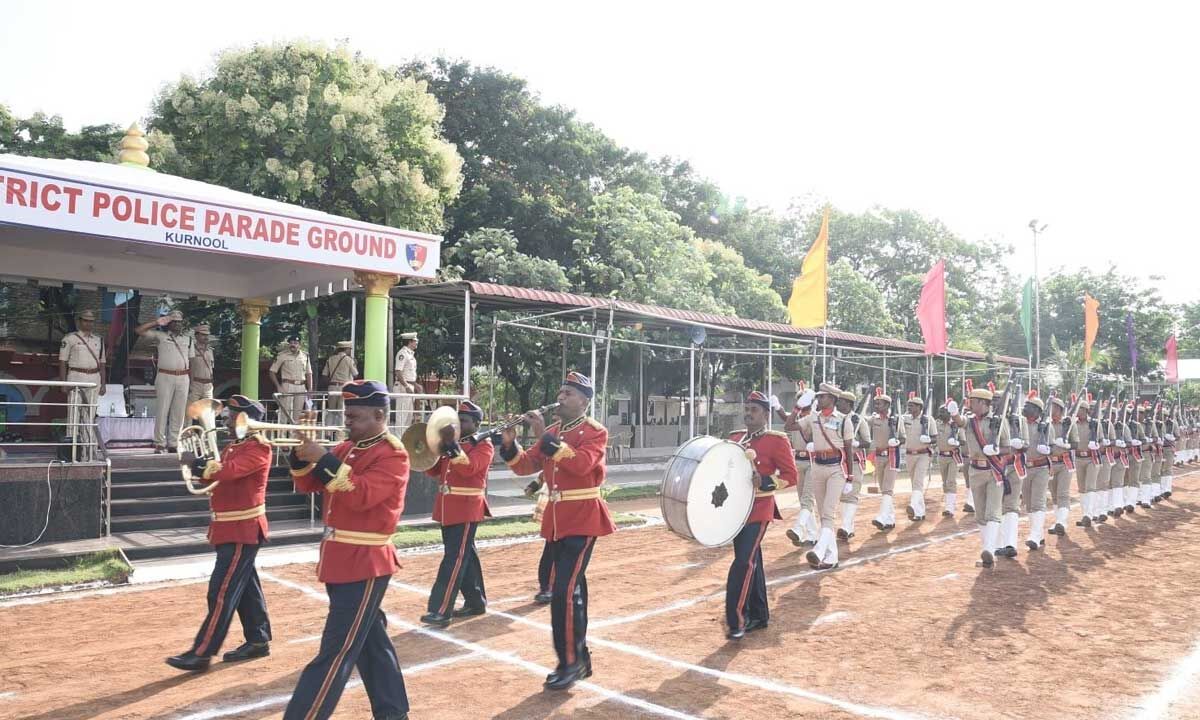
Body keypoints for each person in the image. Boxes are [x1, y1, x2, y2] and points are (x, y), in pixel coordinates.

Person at [286, 380, 410, 720]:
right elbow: (307, 483)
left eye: (354, 416)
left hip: (365, 562)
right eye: (346, 414)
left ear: (379, 414)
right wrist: (299, 453)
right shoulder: (346, 449)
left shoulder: (393, 453)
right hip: (340, 559)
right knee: (371, 642)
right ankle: (394, 713)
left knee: (336, 651)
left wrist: (322, 457)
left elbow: (360, 494)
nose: (347, 421)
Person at [499, 372, 616, 690]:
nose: (560, 397)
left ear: (584, 400)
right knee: (572, 592)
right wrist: (510, 444)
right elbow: (525, 466)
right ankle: (579, 658)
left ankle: (569, 663)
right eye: (560, 391)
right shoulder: (552, 431)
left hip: (583, 518)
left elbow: (580, 465)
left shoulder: (594, 432)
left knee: (563, 592)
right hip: (557, 520)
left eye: (568, 393)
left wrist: (542, 436)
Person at [167, 395, 273, 672]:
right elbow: (214, 477)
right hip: (229, 527)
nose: (225, 421)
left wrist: (200, 464)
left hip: (243, 529)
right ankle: (258, 640)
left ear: (246, 421)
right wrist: (196, 466)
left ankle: (202, 653)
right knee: (246, 588)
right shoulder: (232, 447)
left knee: (221, 592)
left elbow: (230, 472)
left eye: (232, 416)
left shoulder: (258, 448)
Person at [420, 400, 493, 627]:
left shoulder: (484, 445)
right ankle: (475, 601)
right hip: (447, 506)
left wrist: (451, 447)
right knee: (465, 555)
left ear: (476, 424)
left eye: (464, 421)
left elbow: (470, 468)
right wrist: (431, 449)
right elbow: (433, 470)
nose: (458, 424)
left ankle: (441, 609)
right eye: (457, 419)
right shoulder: (455, 443)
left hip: (466, 507)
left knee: (454, 558)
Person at [948, 380, 1010, 568]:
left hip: (994, 470)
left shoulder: (999, 422)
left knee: (992, 511)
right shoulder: (971, 420)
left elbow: (1008, 448)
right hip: (975, 470)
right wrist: (954, 413)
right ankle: (987, 549)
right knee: (980, 514)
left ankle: (990, 549)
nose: (970, 404)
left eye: (973, 401)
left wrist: (996, 451)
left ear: (983, 403)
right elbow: (960, 422)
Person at [793, 385, 851, 569]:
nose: (818, 400)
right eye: (817, 396)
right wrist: (797, 408)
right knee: (822, 513)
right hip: (817, 467)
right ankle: (831, 557)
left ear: (832, 399)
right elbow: (790, 426)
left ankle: (819, 551)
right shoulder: (813, 417)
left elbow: (848, 450)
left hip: (836, 469)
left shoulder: (843, 421)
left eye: (823, 397)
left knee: (828, 512)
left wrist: (849, 477)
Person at [136, 310, 192, 454]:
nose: (177, 324)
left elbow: (190, 361)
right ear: (169, 323)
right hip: (165, 376)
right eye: (174, 321)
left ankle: (174, 442)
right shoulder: (160, 336)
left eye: (179, 322)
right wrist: (157, 322)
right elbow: (139, 331)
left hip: (183, 377)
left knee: (179, 412)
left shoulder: (188, 339)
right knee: (162, 410)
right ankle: (159, 443)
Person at [58, 309, 106, 455]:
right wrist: (63, 383)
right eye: (85, 320)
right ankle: (72, 452)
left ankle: (88, 451)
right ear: (80, 321)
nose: (88, 323)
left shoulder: (99, 340)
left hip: (94, 377)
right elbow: (62, 362)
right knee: (73, 413)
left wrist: (103, 383)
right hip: (75, 375)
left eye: (91, 321)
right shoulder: (70, 339)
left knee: (89, 416)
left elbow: (102, 363)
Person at [782, 382, 818, 547]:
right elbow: (786, 421)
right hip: (798, 461)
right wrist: (777, 407)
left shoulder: (815, 417)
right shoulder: (795, 418)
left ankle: (798, 528)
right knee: (802, 498)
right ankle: (812, 535)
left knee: (807, 498)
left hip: (813, 461)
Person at [996, 385, 1028, 559]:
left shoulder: (1019, 420)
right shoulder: (990, 421)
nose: (995, 404)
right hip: (995, 468)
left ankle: (1010, 544)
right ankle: (998, 544)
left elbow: (1027, 445)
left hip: (1014, 466)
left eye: (998, 401)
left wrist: (1019, 443)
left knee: (1011, 505)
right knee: (996, 506)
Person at [835, 389, 871, 540]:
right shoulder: (835, 419)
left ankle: (845, 526)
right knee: (843, 495)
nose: (838, 404)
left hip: (854, 461)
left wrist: (856, 442)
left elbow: (867, 442)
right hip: (838, 462)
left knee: (852, 494)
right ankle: (848, 527)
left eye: (841, 401)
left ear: (848, 404)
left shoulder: (858, 420)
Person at [1020, 391, 1053, 551]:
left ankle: (1033, 535)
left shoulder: (1046, 426)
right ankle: (1038, 534)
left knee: (1038, 501)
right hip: (1024, 468)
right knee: (1028, 502)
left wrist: (1047, 449)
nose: (1026, 408)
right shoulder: (1019, 424)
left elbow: (1054, 448)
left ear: (1038, 411)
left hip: (1041, 467)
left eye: (1030, 406)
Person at [869, 388, 903, 531]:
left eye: (880, 404)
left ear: (888, 406)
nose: (877, 406)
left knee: (888, 488)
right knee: (884, 489)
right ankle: (890, 519)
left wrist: (897, 442)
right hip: (878, 456)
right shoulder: (873, 419)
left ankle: (882, 517)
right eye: (875, 404)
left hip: (891, 456)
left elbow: (903, 437)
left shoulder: (896, 420)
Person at [900, 393, 937, 522]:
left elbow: (935, 437)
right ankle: (920, 512)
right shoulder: (905, 419)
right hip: (910, 454)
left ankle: (913, 505)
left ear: (919, 407)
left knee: (918, 482)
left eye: (912, 405)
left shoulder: (928, 420)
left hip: (923, 454)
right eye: (908, 405)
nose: (909, 407)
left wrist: (929, 439)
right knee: (914, 483)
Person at [1070, 396, 1102, 528]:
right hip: (1078, 458)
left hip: (1091, 458)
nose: (1078, 412)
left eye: (1080, 409)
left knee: (1090, 486)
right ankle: (1085, 514)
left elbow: (1101, 440)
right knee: (1082, 488)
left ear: (1086, 410)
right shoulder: (1073, 424)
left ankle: (1088, 514)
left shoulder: (1094, 424)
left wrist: (1097, 444)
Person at [1047, 395, 1075, 536]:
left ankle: (1062, 522)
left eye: (1054, 407)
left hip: (1064, 463)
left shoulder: (1068, 424)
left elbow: (1075, 443)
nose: (1052, 410)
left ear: (1060, 410)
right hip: (1051, 463)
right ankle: (1058, 520)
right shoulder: (1046, 424)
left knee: (1063, 493)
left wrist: (1067, 444)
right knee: (1054, 494)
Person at [934, 399, 965, 516]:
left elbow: (963, 441)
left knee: (951, 481)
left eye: (943, 412)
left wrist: (956, 442)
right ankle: (948, 504)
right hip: (941, 456)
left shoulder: (956, 426)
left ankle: (950, 508)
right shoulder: (937, 425)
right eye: (940, 412)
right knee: (944, 482)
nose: (940, 414)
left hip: (953, 456)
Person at [271, 336, 312, 424]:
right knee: (285, 412)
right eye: (291, 343)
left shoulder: (305, 356)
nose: (293, 345)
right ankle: (281, 436)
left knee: (298, 414)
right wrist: (278, 386)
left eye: (295, 343)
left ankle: (294, 435)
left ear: (299, 345)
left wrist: (310, 389)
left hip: (301, 386)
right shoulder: (282, 355)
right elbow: (272, 371)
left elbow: (309, 373)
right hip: (287, 385)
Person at [322, 341, 359, 424]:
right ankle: (340, 434)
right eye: (349, 349)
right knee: (341, 411)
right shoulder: (349, 360)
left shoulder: (330, 359)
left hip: (332, 387)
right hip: (344, 388)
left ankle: (328, 432)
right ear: (346, 349)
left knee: (331, 410)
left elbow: (324, 374)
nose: (350, 351)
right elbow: (355, 374)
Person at [392, 332, 419, 429]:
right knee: (402, 416)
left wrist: (415, 385)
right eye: (415, 341)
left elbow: (409, 375)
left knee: (408, 417)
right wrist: (407, 386)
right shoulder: (402, 353)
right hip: (403, 387)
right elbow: (398, 372)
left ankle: (405, 441)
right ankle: (399, 440)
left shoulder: (410, 355)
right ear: (410, 342)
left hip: (408, 387)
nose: (417, 342)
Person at [188, 324, 215, 402]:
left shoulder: (210, 350)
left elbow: (211, 367)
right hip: (195, 383)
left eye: (207, 335)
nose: (206, 337)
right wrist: (190, 384)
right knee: (191, 410)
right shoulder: (191, 349)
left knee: (208, 411)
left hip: (208, 384)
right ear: (196, 336)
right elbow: (188, 367)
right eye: (203, 335)